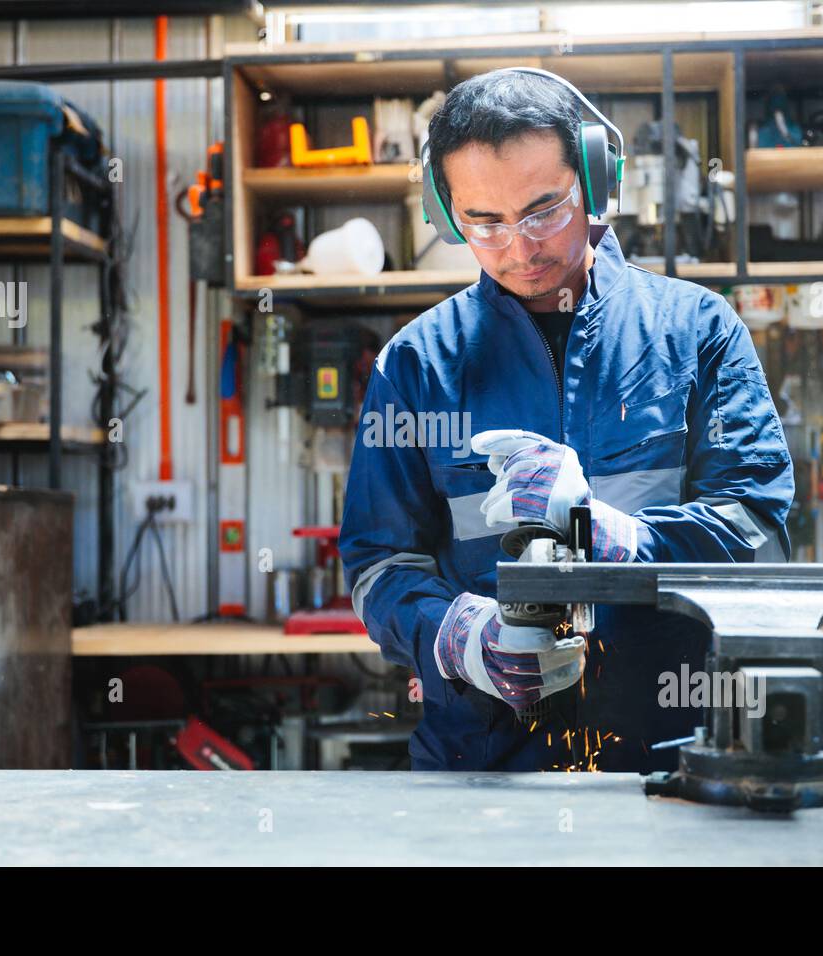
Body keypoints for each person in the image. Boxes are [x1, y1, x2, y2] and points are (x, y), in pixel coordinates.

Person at [339, 68, 794, 772]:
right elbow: (378, 563)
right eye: (484, 222)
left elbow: (759, 537)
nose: (519, 247)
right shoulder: (417, 367)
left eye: (544, 208)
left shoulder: (698, 333)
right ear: (446, 210)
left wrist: (615, 539)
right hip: (482, 773)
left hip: (676, 766)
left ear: (594, 180)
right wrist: (460, 637)